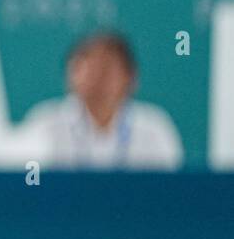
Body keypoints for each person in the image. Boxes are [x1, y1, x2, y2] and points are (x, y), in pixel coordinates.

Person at [16, 32, 182, 169]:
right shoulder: (43, 124)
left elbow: (169, 191)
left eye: (106, 67)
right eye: (84, 66)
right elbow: (29, 186)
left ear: (131, 77)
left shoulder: (154, 128)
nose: (96, 76)